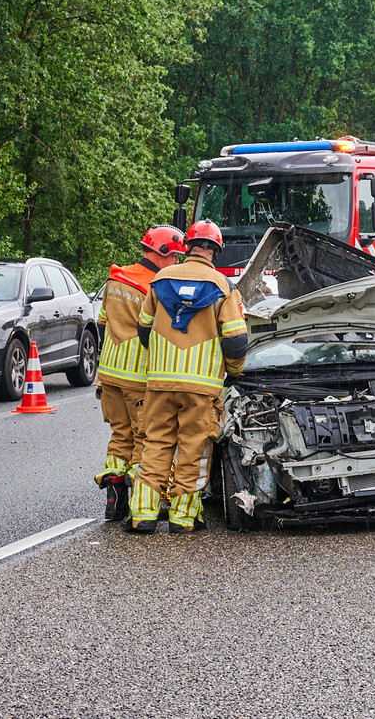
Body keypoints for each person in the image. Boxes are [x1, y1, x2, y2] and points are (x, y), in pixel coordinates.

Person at [128, 220, 248, 534]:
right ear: (216, 251)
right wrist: (233, 372)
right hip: (201, 387)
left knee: (155, 444)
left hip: (160, 383)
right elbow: (236, 341)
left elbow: (143, 329)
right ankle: (182, 519)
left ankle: (142, 515)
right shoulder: (224, 287)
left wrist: (164, 361)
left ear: (187, 247)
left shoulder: (160, 280)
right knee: (193, 450)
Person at [92, 225, 186, 522]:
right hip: (138, 377)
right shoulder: (155, 286)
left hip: (109, 374)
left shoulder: (115, 279)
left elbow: (102, 324)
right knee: (146, 439)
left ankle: (115, 501)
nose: (177, 263)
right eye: (175, 257)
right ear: (161, 253)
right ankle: (142, 505)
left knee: (120, 437)